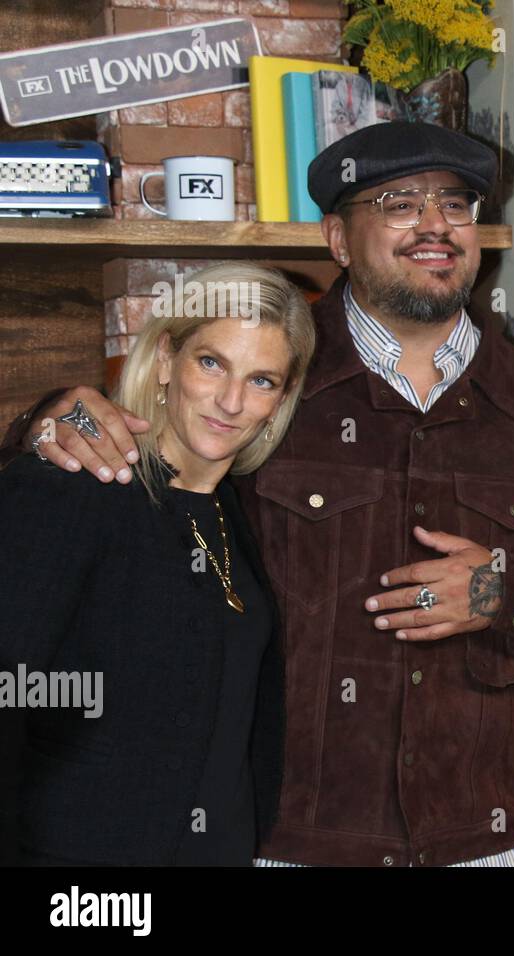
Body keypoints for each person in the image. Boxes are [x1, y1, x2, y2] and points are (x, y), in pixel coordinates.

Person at [2, 122, 514, 867]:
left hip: (485, 843)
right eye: (400, 203)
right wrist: (45, 422)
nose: (435, 224)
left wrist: (502, 595)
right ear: (338, 238)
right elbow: (140, 451)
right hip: (285, 846)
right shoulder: (271, 370)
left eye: (456, 203)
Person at [0, 262, 315, 865]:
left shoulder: (237, 513)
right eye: (212, 362)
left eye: (262, 380)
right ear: (167, 358)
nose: (230, 401)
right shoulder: (76, 485)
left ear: (280, 401)